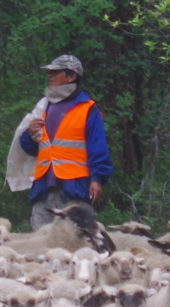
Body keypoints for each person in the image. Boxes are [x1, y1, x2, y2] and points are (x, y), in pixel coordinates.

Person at [16, 54, 113, 229]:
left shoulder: (87, 109)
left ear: (71, 76)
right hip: (44, 188)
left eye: (56, 72)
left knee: (78, 239)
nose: (50, 76)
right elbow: (30, 149)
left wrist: (97, 179)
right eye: (50, 72)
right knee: (41, 241)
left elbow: (98, 148)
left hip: (75, 188)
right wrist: (30, 133)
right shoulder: (43, 106)